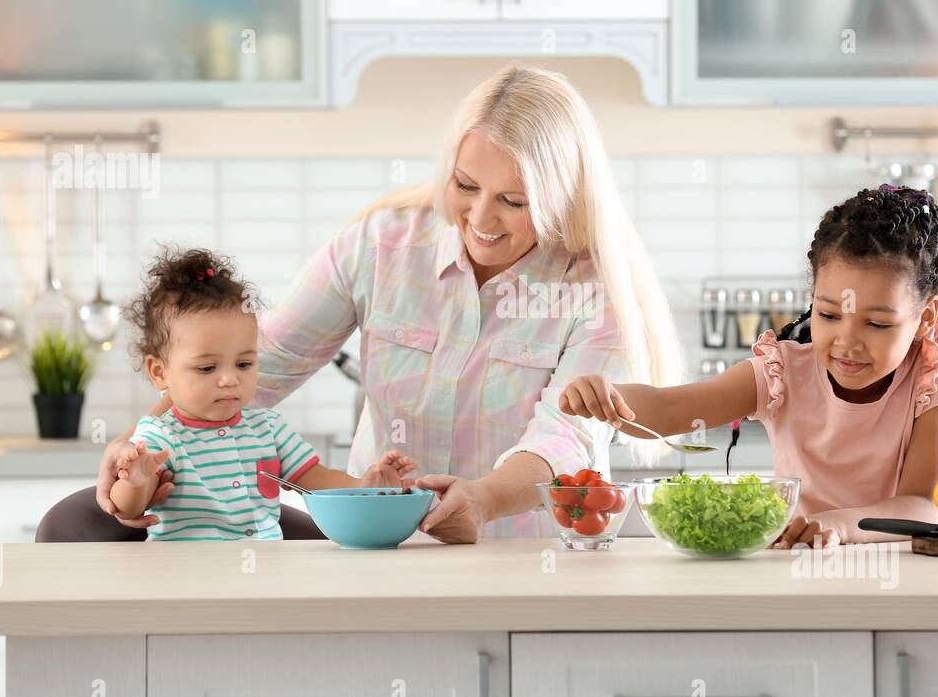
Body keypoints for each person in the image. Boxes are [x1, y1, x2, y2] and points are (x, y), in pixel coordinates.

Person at [36, 64, 682, 543]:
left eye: (515, 202)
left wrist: (482, 501)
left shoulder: (595, 289)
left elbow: (563, 437)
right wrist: (135, 444)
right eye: (464, 186)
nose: (480, 219)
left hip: (533, 561)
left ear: (563, 194)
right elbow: (260, 365)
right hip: (384, 554)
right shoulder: (382, 245)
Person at [558, 184, 938, 548]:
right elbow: (672, 410)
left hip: (896, 571)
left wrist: (838, 526)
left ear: (924, 317)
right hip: (792, 563)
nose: (847, 341)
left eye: (877, 323)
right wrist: (608, 398)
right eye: (829, 315)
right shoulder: (784, 373)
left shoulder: (932, 374)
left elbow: (923, 506)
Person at [108, 245, 415, 540]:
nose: (229, 379)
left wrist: (366, 486)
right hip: (188, 578)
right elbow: (128, 507)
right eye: (207, 368)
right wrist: (137, 481)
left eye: (243, 363)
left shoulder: (267, 428)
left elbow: (316, 479)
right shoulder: (159, 437)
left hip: (264, 577)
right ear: (160, 372)